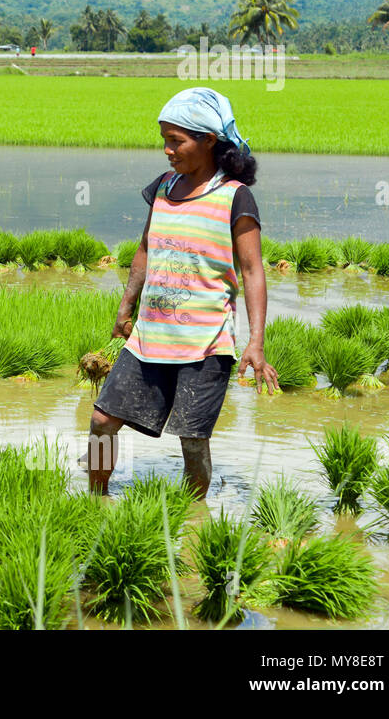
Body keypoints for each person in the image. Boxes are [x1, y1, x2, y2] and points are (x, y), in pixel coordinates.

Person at [87, 86, 278, 499]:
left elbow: (252, 271)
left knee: (192, 442)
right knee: (102, 421)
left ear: (209, 140)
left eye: (177, 141)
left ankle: (193, 519)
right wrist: (126, 305)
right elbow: (144, 249)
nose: (168, 151)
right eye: (165, 141)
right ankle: (95, 501)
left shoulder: (235, 197)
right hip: (148, 339)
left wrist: (256, 342)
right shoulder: (163, 188)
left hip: (205, 346)